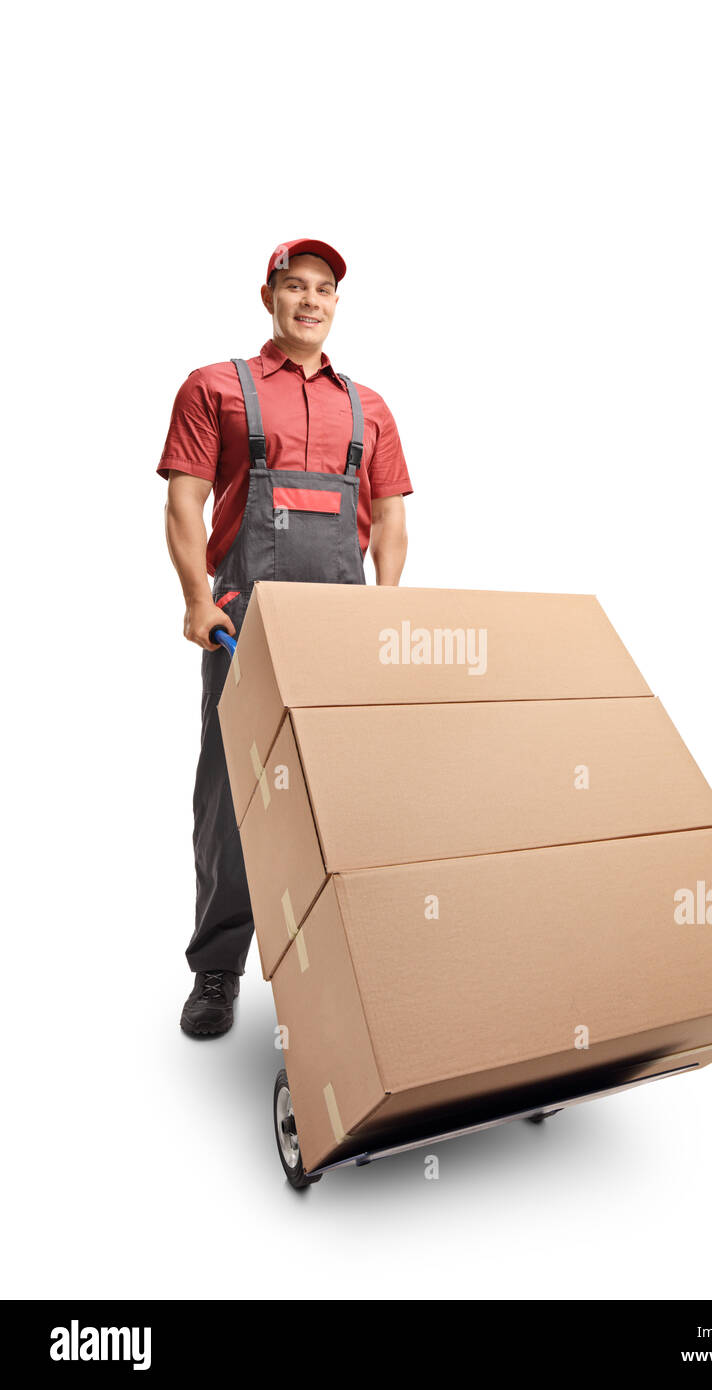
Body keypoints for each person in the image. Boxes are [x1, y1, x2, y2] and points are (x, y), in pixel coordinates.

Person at [158, 238, 412, 1036]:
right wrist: (199, 599)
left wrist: (386, 606)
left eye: (324, 289)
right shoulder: (216, 387)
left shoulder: (367, 405)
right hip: (247, 629)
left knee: (344, 797)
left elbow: (392, 516)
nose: (310, 300)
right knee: (233, 801)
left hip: (339, 629)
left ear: (337, 303)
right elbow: (184, 503)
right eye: (294, 286)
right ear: (268, 296)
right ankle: (216, 971)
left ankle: (353, 961)